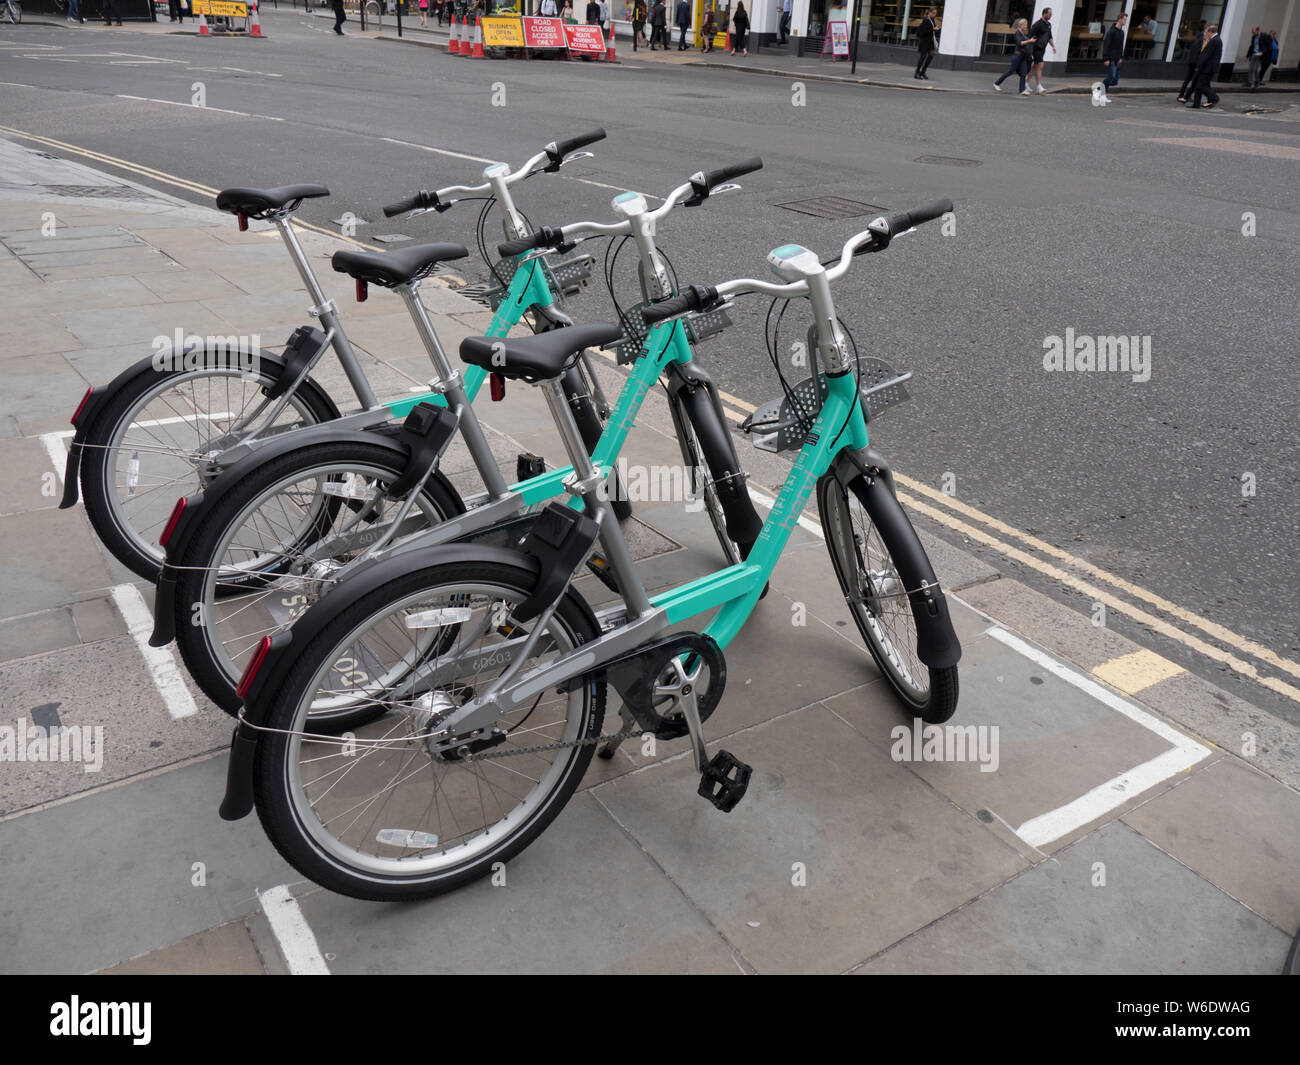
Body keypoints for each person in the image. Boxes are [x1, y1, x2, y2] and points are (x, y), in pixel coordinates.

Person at [992, 18, 1034, 94]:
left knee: (1024, 73)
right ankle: (996, 83)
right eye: (1025, 25)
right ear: (1021, 25)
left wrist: (1030, 40)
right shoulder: (1017, 33)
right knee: (1010, 71)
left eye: (1026, 25)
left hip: (1023, 56)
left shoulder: (1022, 34)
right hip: (1017, 56)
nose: (1026, 27)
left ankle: (1022, 90)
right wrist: (1029, 41)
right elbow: (1019, 43)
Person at [1188, 23, 1221, 110]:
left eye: (1206, 32)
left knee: (1202, 85)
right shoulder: (1217, 40)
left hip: (1207, 68)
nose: (1205, 34)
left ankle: (1214, 98)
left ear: (1211, 32)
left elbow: (1206, 55)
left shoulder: (1214, 41)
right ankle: (1196, 104)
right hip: (1208, 67)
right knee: (1199, 85)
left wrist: (1198, 66)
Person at [1027, 7, 1056, 93]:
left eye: (1051, 14)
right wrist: (1030, 46)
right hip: (1036, 48)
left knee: (1034, 66)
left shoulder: (1049, 25)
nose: (1051, 15)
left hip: (1043, 48)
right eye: (1049, 14)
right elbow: (1030, 35)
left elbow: (1049, 36)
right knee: (1040, 65)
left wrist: (1053, 46)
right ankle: (1039, 86)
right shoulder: (1037, 24)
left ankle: (1026, 82)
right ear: (1044, 14)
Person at [1100, 12, 1125, 100]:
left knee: (1114, 81)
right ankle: (1101, 92)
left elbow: (1121, 46)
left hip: (1117, 58)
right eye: (1124, 19)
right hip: (1110, 58)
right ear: (1119, 19)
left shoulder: (1122, 33)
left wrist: (1121, 57)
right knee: (1111, 76)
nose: (1125, 21)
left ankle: (1100, 90)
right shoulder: (1111, 31)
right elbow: (1106, 45)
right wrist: (1105, 58)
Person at [914, 7, 937, 79]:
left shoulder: (932, 20)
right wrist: (933, 29)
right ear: (929, 13)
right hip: (924, 41)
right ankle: (917, 72)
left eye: (935, 14)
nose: (934, 15)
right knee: (923, 57)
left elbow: (932, 30)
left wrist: (936, 29)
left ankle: (923, 72)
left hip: (930, 42)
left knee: (931, 54)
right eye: (933, 13)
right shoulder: (926, 20)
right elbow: (924, 31)